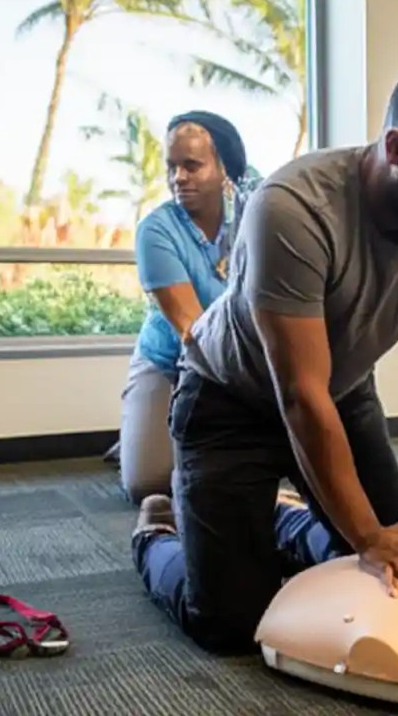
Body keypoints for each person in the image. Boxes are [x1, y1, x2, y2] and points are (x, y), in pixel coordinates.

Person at [130, 54, 398, 654]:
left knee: (393, 574)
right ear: (396, 146)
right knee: (231, 624)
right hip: (230, 400)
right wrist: (368, 534)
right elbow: (299, 395)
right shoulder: (292, 208)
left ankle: (277, 522)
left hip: (342, 390)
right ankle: (158, 532)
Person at [115, 111, 259, 503]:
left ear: (225, 169)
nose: (178, 178)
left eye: (192, 166)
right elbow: (194, 335)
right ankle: (141, 427)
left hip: (247, 361)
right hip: (173, 359)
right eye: (172, 167)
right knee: (147, 483)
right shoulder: (156, 230)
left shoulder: (258, 209)